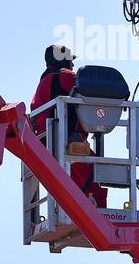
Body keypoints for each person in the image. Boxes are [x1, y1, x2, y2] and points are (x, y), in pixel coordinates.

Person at [30, 44, 106, 208]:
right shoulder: (64, 76)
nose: (73, 65)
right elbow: (89, 88)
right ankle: (97, 217)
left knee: (74, 185)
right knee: (97, 177)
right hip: (66, 142)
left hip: (47, 145)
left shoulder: (42, 84)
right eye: (70, 61)